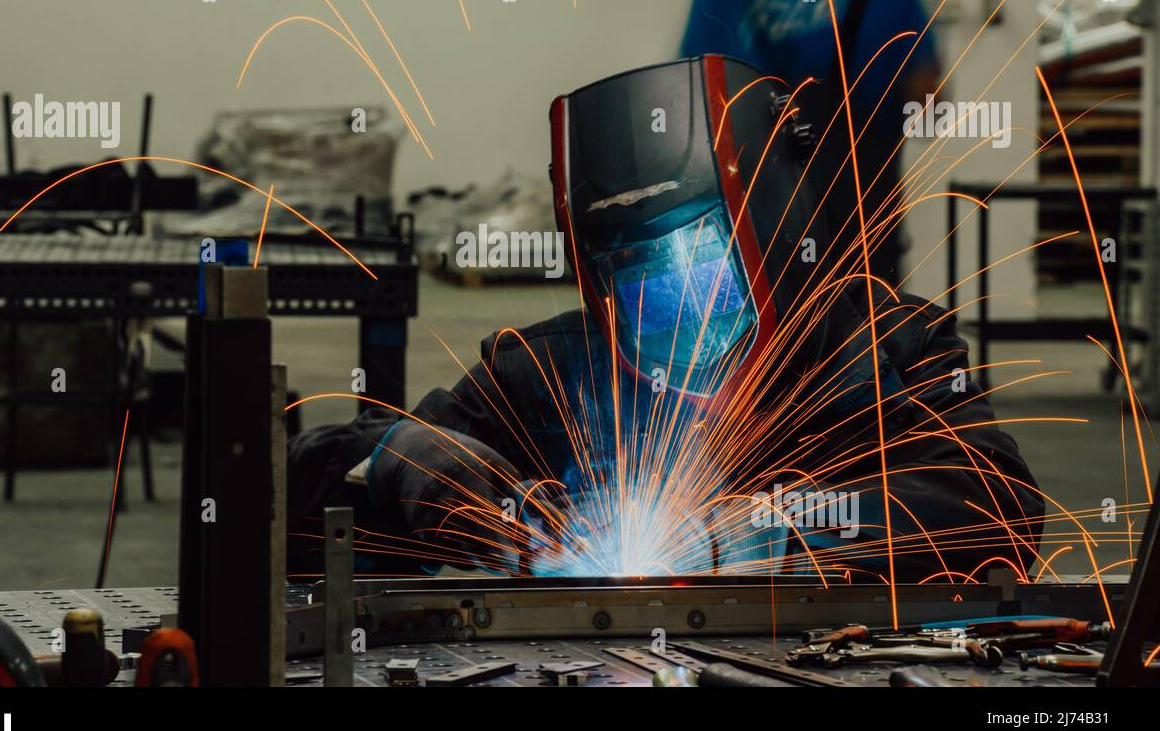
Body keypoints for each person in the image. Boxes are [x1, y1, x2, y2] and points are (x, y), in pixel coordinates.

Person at [286, 57, 1044, 583]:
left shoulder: (885, 345)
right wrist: (410, 462)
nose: (674, 313)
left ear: (773, 239)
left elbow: (992, 501)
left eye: (701, 273)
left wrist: (767, 529)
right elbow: (295, 499)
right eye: (640, 283)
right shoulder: (547, 372)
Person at [681, 0, 940, 284]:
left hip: (751, 227)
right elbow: (931, 110)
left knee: (759, 351)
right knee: (864, 346)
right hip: (859, 229)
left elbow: (691, 101)